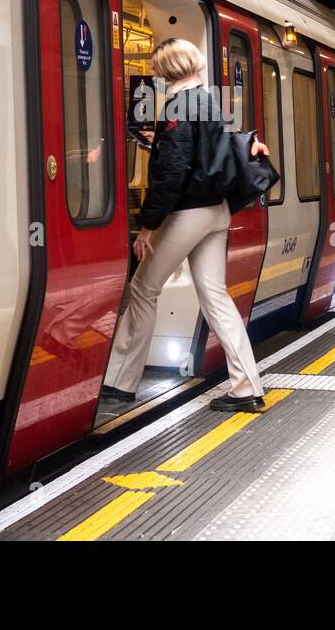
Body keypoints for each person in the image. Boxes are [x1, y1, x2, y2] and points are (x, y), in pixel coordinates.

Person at [102, 38, 271, 413]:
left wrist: (147, 226)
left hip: (189, 213)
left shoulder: (177, 105)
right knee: (215, 295)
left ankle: (120, 380)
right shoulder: (210, 100)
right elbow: (207, 151)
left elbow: (173, 173)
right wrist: (159, 145)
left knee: (144, 287)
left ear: (165, 70)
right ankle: (248, 388)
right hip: (217, 211)